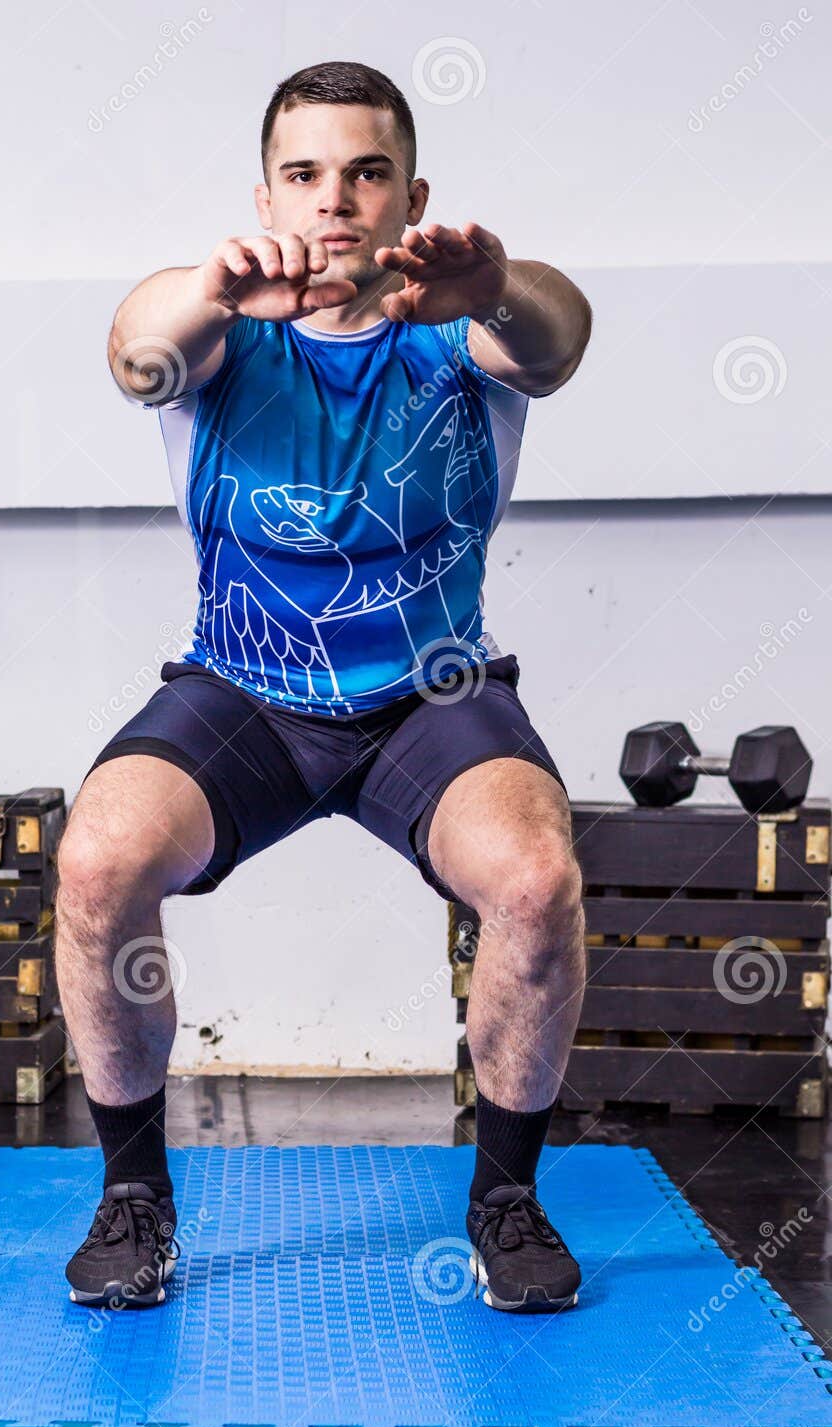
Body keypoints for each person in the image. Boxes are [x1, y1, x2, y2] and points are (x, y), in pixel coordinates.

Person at [55, 61, 592, 1315]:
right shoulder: (206, 323)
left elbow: (556, 344)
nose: (335, 200)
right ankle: (133, 1198)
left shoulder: (463, 323)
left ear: (411, 192)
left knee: (532, 880)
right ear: (266, 193)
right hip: (240, 689)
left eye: (364, 172)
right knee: (95, 864)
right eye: (305, 174)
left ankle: (504, 1199)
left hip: (429, 694)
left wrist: (498, 285)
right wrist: (210, 295)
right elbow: (139, 357)